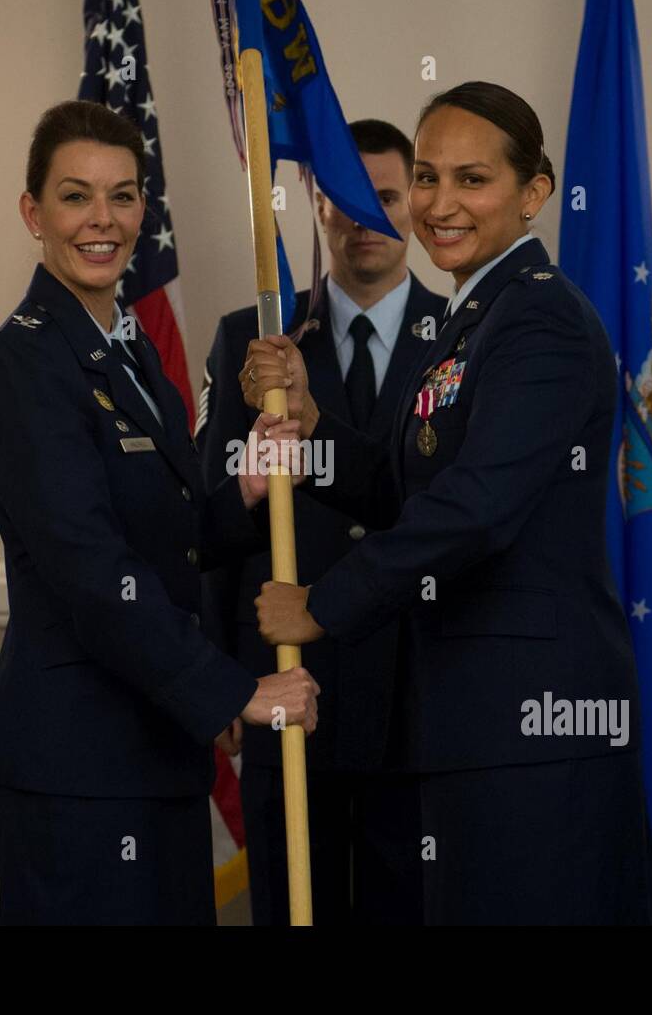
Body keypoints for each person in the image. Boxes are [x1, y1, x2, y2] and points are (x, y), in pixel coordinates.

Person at [240, 82, 652, 925]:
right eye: (427, 178)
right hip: (472, 720)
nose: (439, 204)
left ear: (533, 193)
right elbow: (414, 485)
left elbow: (476, 508)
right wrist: (318, 430)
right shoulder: (476, 319)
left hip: (531, 727)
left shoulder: (540, 320)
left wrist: (323, 606)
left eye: (472, 180)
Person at [0, 100, 319, 926]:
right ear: (32, 213)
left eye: (123, 196)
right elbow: (92, 571)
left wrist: (241, 492)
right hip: (78, 768)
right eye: (76, 196)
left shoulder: (130, 356)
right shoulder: (24, 361)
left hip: (154, 753)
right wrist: (237, 694)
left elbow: (171, 538)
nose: (103, 220)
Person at [197, 120, 446, 925]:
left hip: (417, 694)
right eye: (343, 197)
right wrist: (216, 683)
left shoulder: (459, 340)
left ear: (413, 201)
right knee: (291, 910)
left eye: (384, 195)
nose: (364, 217)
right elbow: (211, 519)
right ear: (314, 203)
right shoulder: (255, 339)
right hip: (285, 688)